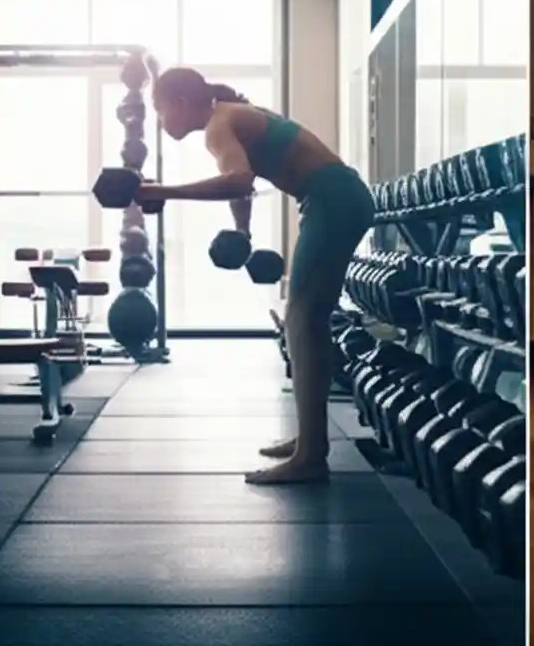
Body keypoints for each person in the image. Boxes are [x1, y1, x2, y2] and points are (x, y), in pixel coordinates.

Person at [136, 67, 376, 485]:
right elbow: (241, 183)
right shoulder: (229, 115)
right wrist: (241, 232)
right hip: (336, 196)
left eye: (159, 110)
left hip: (332, 199)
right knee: (305, 322)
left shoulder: (218, 124)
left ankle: (311, 457)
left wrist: (164, 192)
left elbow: (238, 180)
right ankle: (310, 442)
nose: (160, 121)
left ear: (178, 102)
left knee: (302, 320)